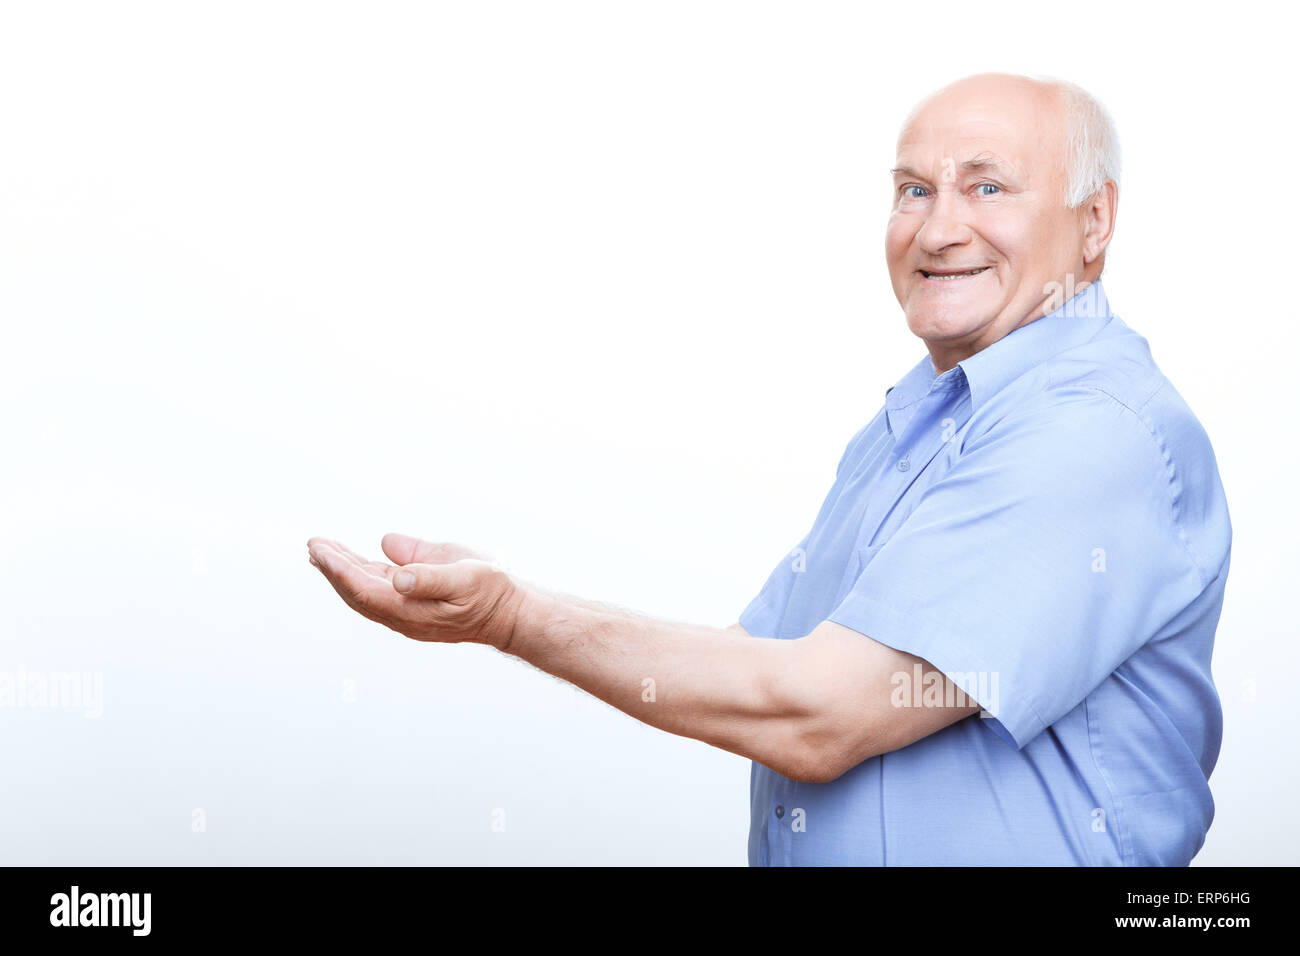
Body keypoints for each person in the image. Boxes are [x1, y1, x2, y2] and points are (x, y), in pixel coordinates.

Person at [308, 72, 1231, 866]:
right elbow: (761, 670)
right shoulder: (914, 423)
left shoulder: (1094, 431)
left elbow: (819, 715)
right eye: (913, 190)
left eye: (987, 188)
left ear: (1095, 220)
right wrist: (509, 604)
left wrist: (513, 619)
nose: (939, 229)